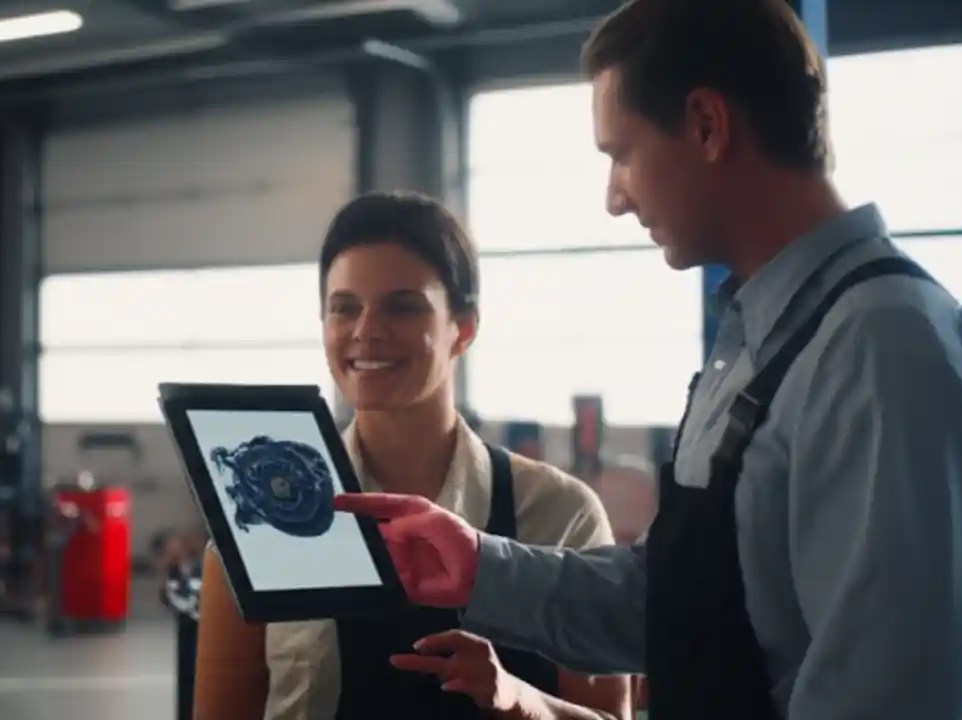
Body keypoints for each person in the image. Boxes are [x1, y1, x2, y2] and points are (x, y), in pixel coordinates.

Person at [335, 1, 962, 719]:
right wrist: (475, 564)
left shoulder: (880, 351)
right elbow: (672, 606)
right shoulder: (761, 344)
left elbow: (885, 699)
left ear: (706, 125)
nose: (615, 198)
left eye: (620, 153)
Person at [191, 191, 632, 720]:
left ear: (463, 327)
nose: (367, 330)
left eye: (403, 306)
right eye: (344, 307)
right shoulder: (258, 515)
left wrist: (522, 702)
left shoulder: (560, 514)